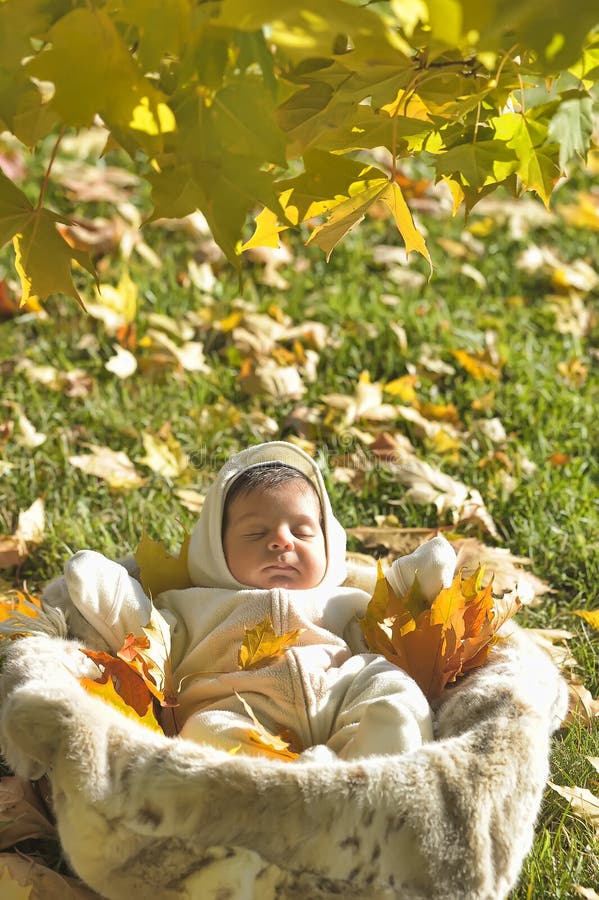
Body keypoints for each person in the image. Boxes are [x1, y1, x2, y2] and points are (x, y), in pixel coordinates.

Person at [62, 441, 457, 760]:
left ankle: (380, 756)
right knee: (204, 732)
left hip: (343, 693)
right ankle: (278, 789)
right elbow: (146, 632)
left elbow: (393, 615)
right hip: (239, 706)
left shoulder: (345, 598)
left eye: (302, 532)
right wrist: (111, 592)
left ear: (330, 546)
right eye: (255, 534)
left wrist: (416, 578)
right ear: (215, 552)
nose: (282, 541)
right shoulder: (193, 604)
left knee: (391, 688)